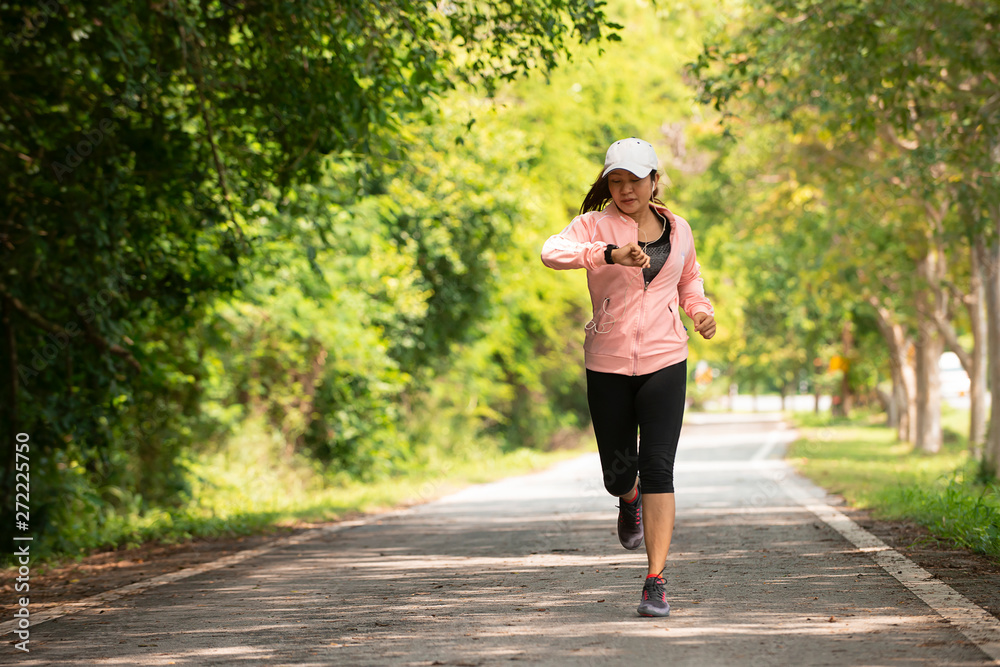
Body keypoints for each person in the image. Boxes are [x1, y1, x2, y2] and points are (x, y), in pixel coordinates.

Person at [540, 137, 716, 617]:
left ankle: (655, 580)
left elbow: (689, 279)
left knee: (659, 467)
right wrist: (608, 254)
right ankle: (628, 497)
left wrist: (700, 311)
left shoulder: (678, 228)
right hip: (608, 363)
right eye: (615, 181)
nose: (624, 190)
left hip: (666, 359)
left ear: (654, 180)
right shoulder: (593, 226)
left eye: (634, 180)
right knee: (619, 474)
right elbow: (551, 251)